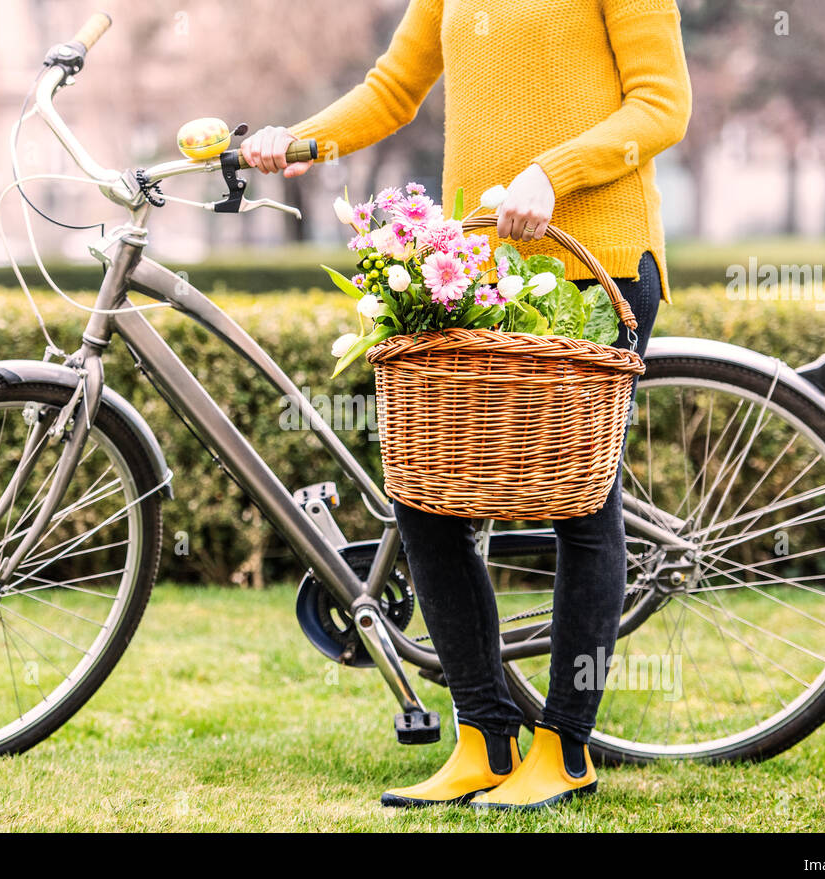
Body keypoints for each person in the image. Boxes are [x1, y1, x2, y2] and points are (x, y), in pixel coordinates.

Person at [242, 0, 692, 810]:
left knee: (582, 507)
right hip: (477, 273)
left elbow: (662, 105)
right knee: (424, 492)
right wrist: (301, 141)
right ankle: (484, 738)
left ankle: (564, 746)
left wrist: (551, 174)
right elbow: (393, 88)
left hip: (597, 267)